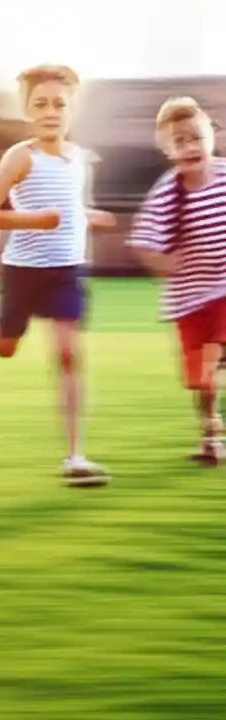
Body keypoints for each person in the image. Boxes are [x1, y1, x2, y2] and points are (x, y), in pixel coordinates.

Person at [0, 65, 116, 486]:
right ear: (27, 111)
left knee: (70, 355)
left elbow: (67, 207)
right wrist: (36, 221)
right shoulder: (21, 156)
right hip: (23, 272)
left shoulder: (79, 159)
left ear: (72, 110)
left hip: (67, 272)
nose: (51, 111)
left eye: (60, 104)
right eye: (41, 103)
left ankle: (75, 455)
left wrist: (86, 217)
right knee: (4, 347)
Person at [128, 97, 226, 466]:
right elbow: (140, 242)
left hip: (223, 287)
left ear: (211, 139)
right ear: (166, 149)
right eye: (179, 141)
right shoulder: (167, 194)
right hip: (188, 298)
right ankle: (211, 433)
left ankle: (219, 357)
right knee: (199, 378)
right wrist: (162, 261)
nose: (190, 147)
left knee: (216, 350)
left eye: (196, 138)